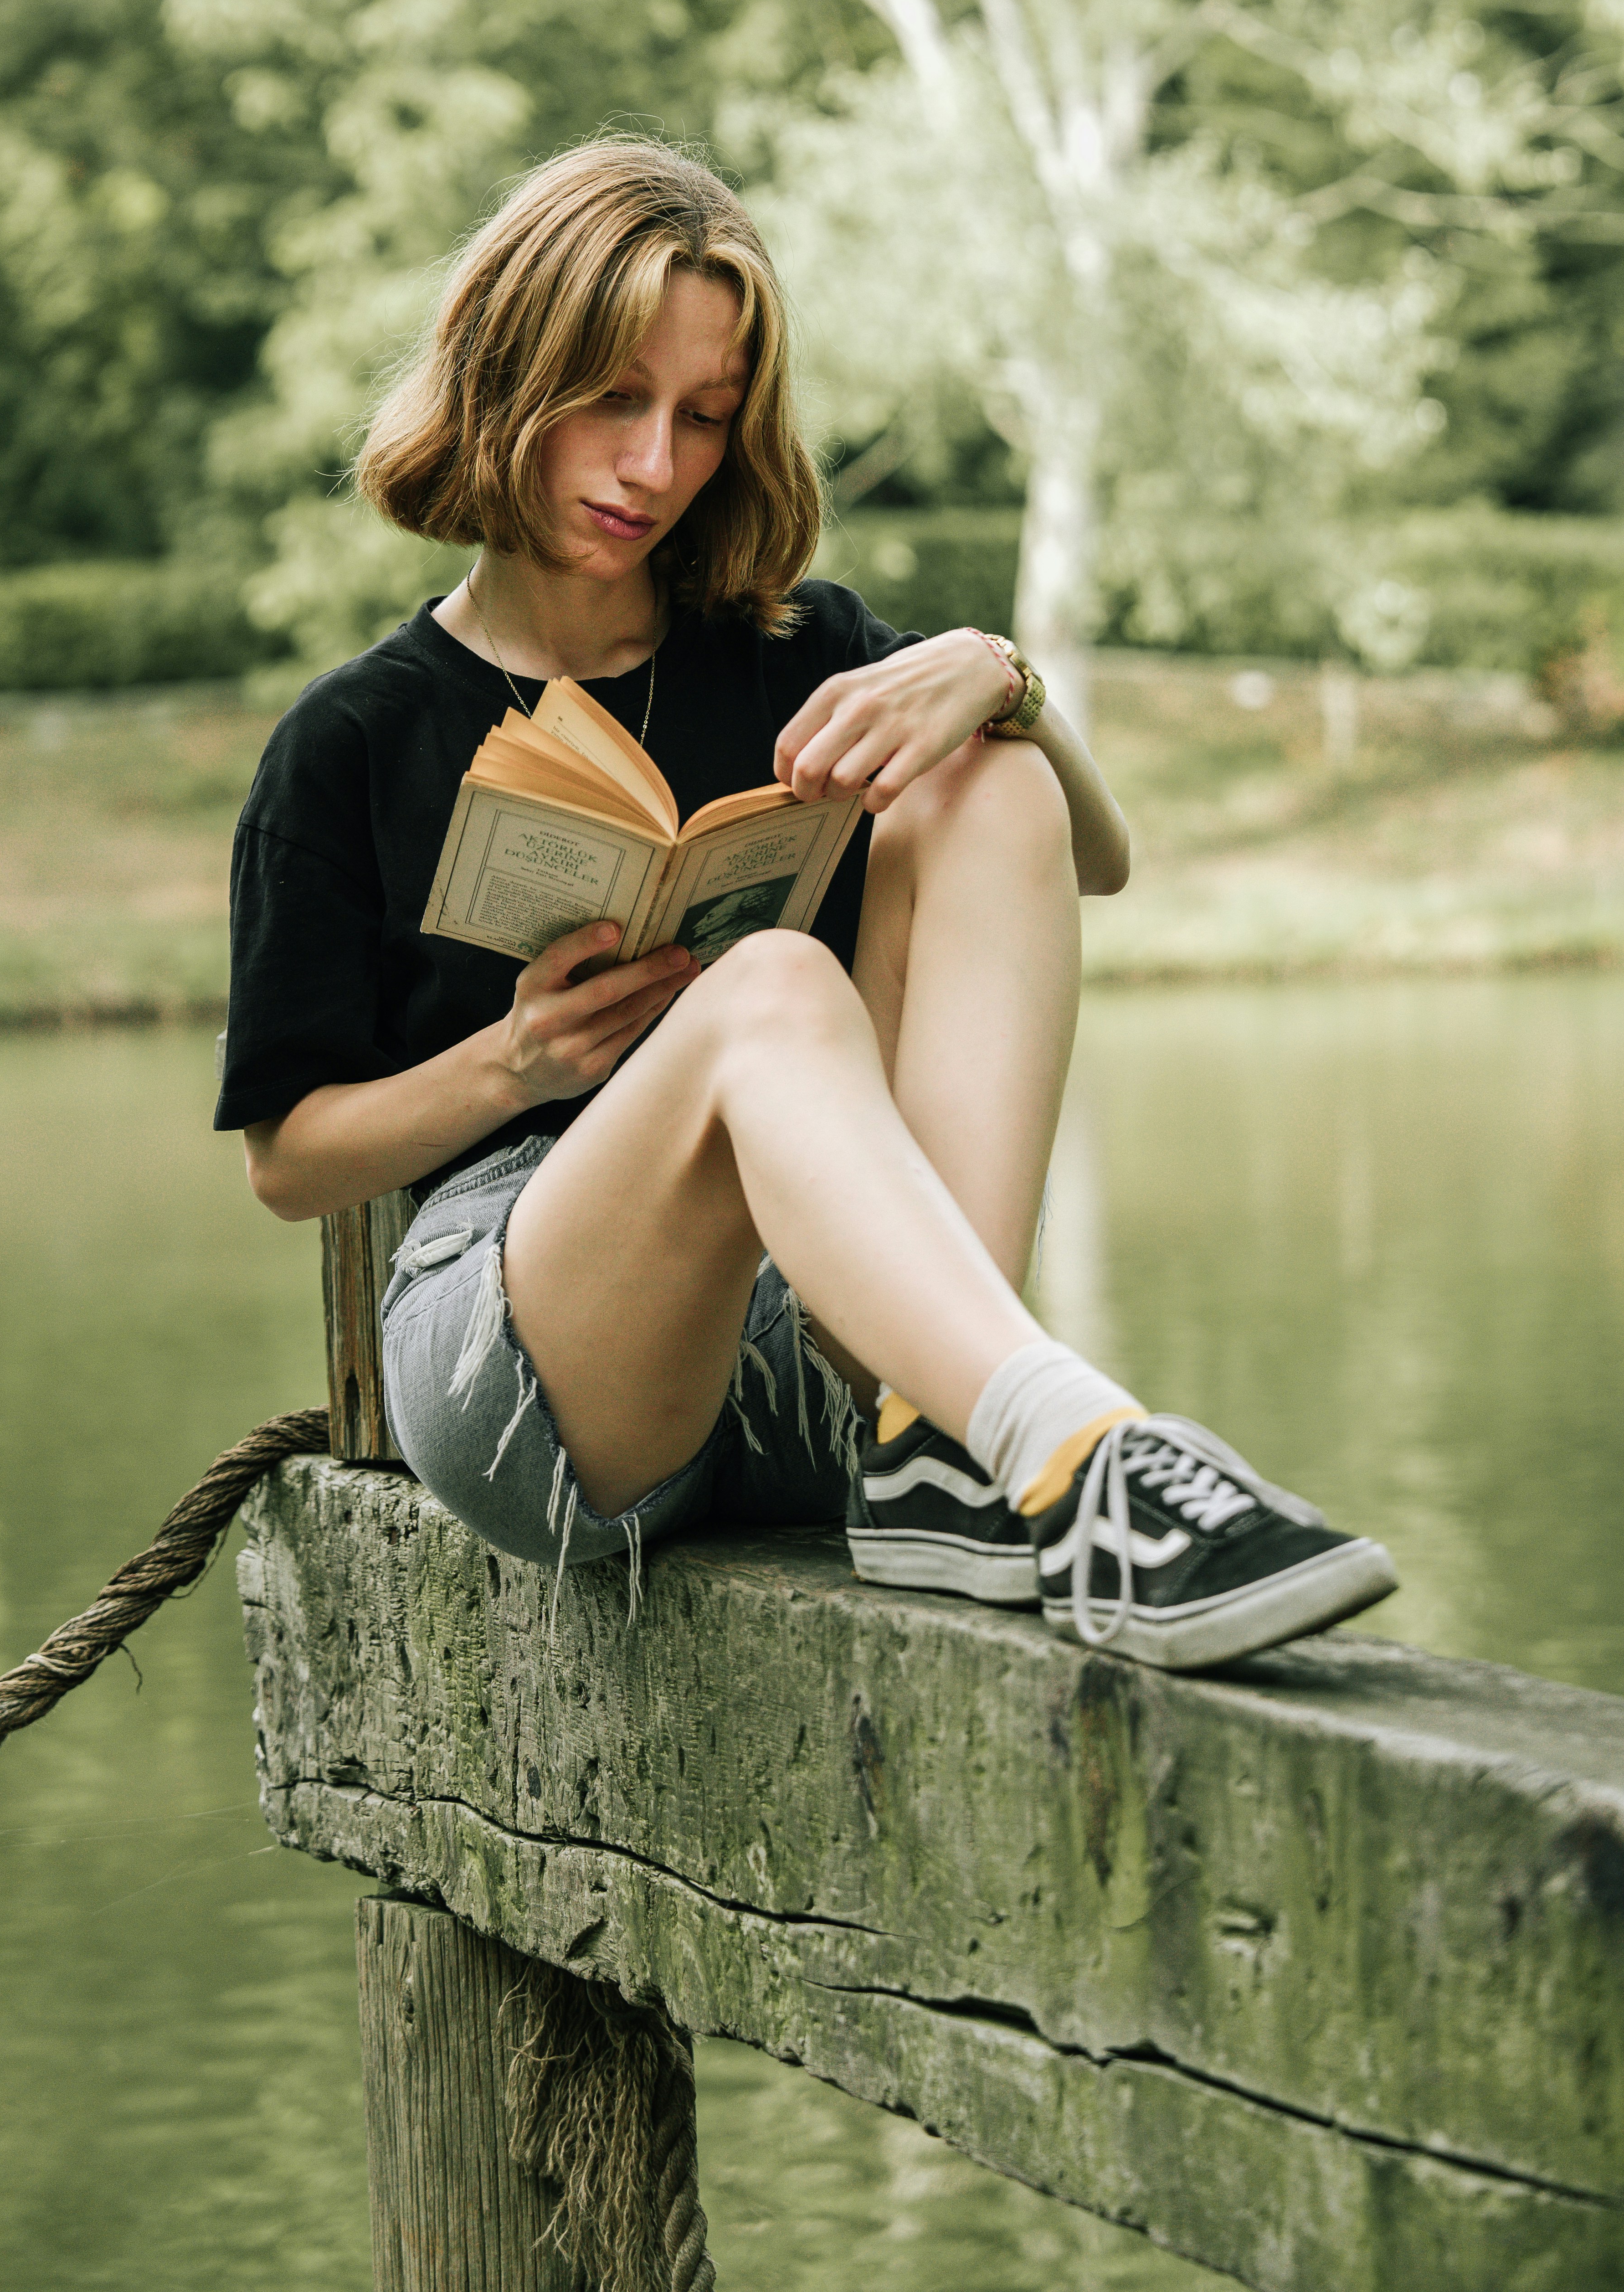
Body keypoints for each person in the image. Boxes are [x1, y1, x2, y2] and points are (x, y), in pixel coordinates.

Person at [216, 140, 1396, 1670]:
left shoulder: (794, 646)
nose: (656, 465)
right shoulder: (353, 737)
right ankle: (1068, 1444)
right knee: (769, 990)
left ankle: (933, 1435)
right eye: (613, 400)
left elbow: (1084, 865)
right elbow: (289, 1162)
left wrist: (1009, 687)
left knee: (991, 781)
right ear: (510, 373)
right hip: (534, 1366)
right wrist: (517, 1066)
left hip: (805, 1331)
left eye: (703, 418)